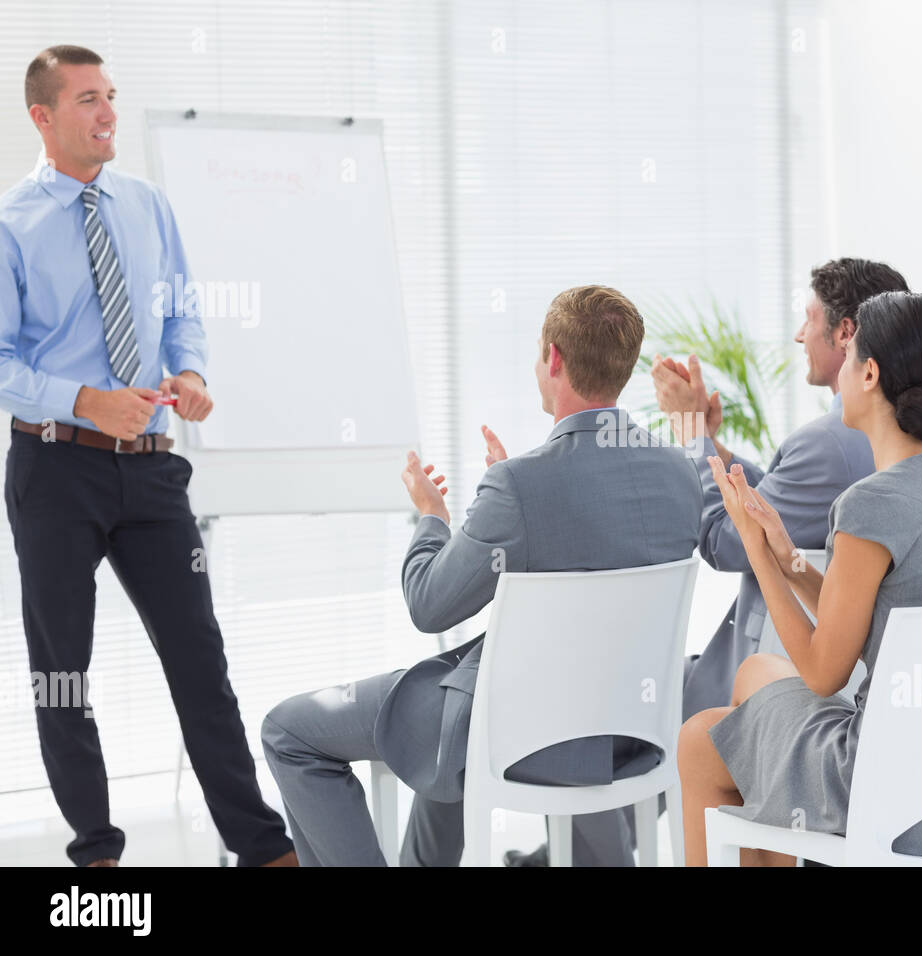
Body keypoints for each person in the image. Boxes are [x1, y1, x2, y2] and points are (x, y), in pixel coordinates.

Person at [260, 285, 703, 866]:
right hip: (628, 734)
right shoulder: (679, 472)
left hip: (526, 735)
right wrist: (510, 509)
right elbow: (597, 545)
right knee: (449, 723)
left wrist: (434, 518)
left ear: (553, 359)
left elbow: (429, 606)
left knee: (289, 731)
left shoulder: (520, 486)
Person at [506, 259, 909, 867]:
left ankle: (579, 857)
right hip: (848, 680)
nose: (800, 336)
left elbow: (725, 540)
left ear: (849, 336)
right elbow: (778, 493)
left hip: (781, 667)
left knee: (616, 704)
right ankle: (561, 856)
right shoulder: (898, 444)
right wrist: (710, 446)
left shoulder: (827, 444)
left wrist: (690, 428)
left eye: (809, 321)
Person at [0, 45, 295, 867]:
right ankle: (96, 852)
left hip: (153, 468)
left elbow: (181, 314)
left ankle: (261, 847)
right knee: (65, 673)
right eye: (88, 99)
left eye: (111, 97)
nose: (106, 114)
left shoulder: (146, 205)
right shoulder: (10, 223)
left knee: (200, 656)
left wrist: (191, 372)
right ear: (43, 117)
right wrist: (84, 399)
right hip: (55, 469)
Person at [678, 291, 922, 866]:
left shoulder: (872, 504)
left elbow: (821, 671)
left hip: (893, 786)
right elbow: (882, 610)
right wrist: (789, 558)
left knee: (699, 743)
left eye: (850, 349)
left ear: (869, 372)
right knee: (757, 673)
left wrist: (756, 550)